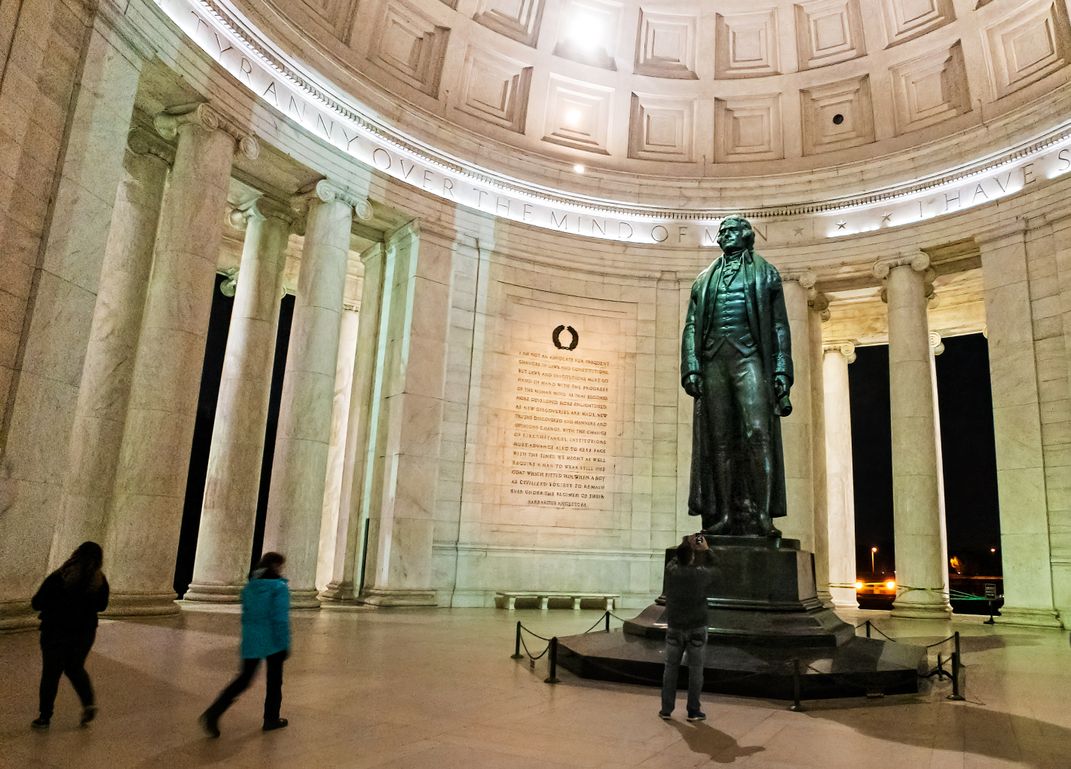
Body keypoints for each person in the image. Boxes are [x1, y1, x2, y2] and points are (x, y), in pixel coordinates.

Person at [681, 214, 793, 537]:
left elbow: (779, 325)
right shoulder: (703, 280)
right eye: (722, 232)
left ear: (746, 235)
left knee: (757, 433)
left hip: (750, 358)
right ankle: (725, 514)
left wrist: (782, 368)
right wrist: (691, 365)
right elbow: (691, 325)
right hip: (714, 361)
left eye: (731, 231)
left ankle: (762, 515)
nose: (724, 236)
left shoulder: (766, 273)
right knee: (720, 440)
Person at [200, 551, 291, 737]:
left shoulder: (250, 587)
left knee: (243, 679)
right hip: (273, 641)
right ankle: (271, 719)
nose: (282, 569)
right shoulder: (279, 588)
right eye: (281, 565)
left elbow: (247, 615)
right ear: (275, 566)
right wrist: (284, 643)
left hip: (252, 638)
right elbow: (280, 619)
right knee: (274, 682)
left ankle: (214, 712)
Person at [30, 541, 110, 730]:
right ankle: (88, 704)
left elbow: (37, 602)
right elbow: (102, 606)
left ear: (76, 554)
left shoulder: (60, 576)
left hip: (55, 630)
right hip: (84, 633)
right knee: (74, 668)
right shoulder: (99, 582)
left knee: (51, 673)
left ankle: (44, 717)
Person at [660, 534, 714, 721]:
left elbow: (675, 560)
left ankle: (666, 709)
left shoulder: (672, 571)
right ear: (692, 556)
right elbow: (717, 569)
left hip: (675, 626)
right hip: (696, 627)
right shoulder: (701, 574)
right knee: (696, 670)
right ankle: (693, 710)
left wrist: (686, 545)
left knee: (670, 669)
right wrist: (706, 550)